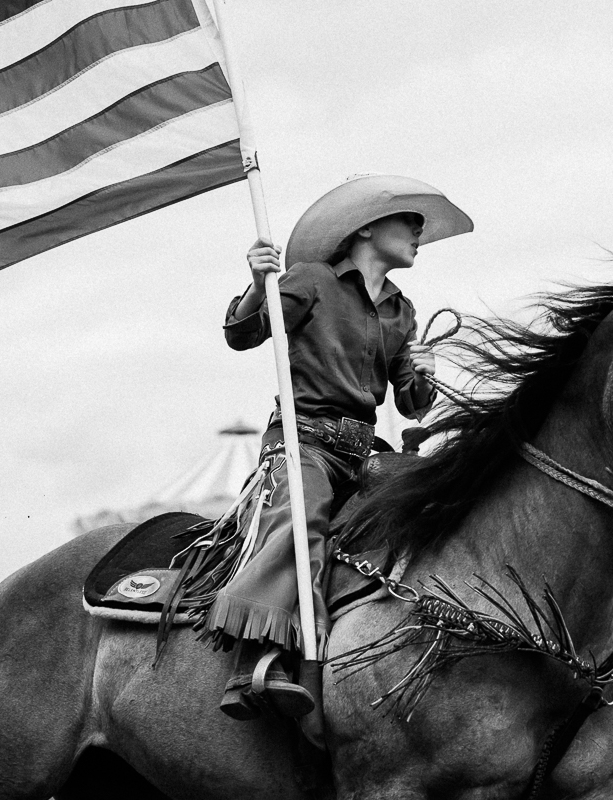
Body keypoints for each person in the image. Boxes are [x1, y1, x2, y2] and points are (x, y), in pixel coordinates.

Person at [207, 174, 473, 721]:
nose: (420, 232)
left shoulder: (403, 310)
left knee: (439, 509)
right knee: (299, 519)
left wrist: (421, 377)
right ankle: (255, 663)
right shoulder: (310, 280)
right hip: (301, 440)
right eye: (410, 221)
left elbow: (412, 404)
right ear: (367, 228)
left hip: (365, 452)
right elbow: (243, 334)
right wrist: (259, 284)